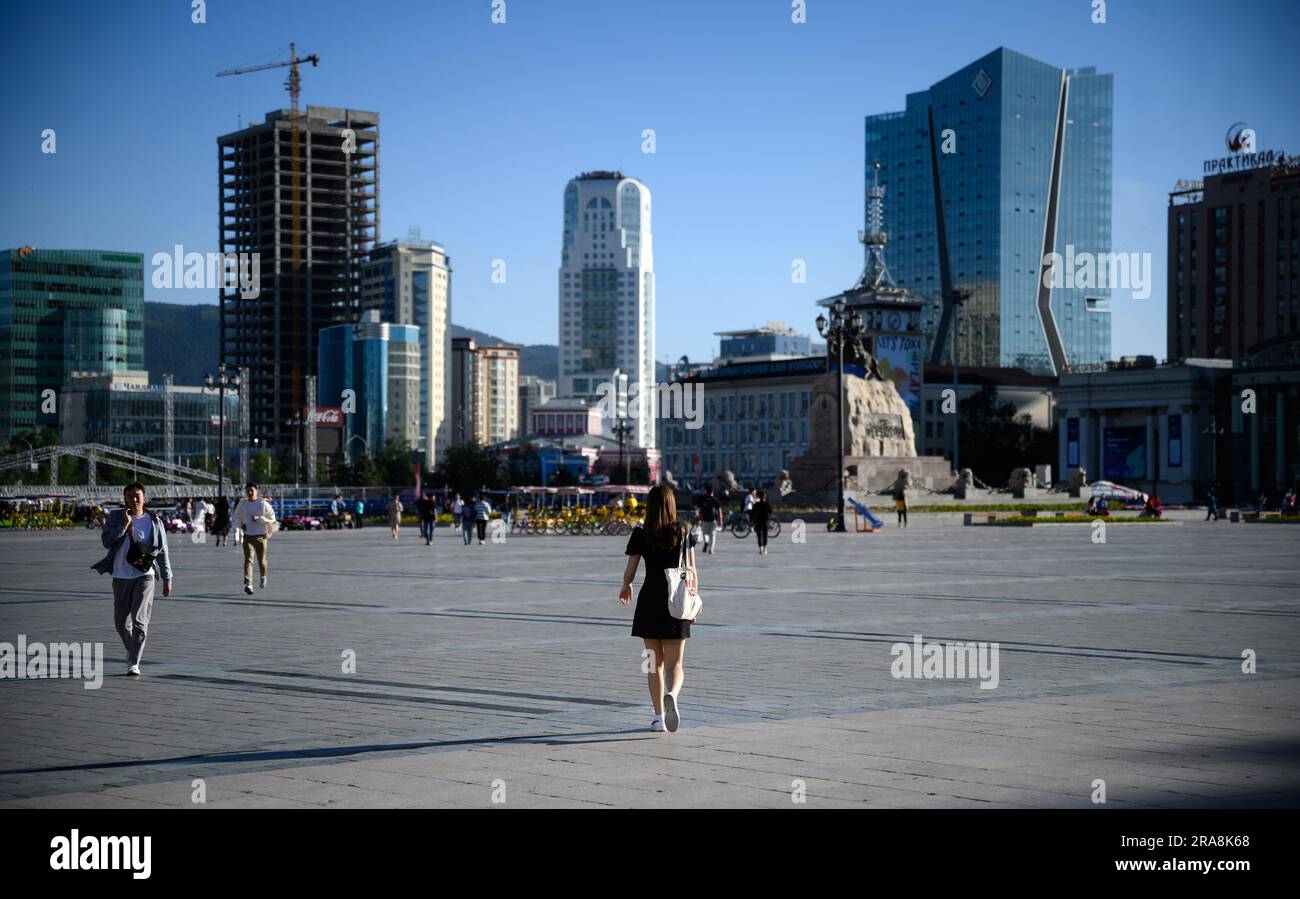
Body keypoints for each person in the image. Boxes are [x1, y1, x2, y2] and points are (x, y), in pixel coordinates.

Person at [618, 484, 698, 734]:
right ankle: (672, 694)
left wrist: (626, 585)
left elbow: (630, 571)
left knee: (653, 664)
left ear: (650, 506)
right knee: (676, 664)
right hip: (676, 602)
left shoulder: (641, 534)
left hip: (650, 601)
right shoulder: (683, 531)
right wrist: (692, 604)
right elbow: (693, 571)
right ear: (672, 504)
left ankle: (657, 718)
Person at [90, 482, 174, 676]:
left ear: (144, 498)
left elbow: (162, 551)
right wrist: (124, 525)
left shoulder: (154, 521)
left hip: (145, 575)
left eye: (137, 495)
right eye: (129, 496)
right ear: (125, 499)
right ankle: (131, 648)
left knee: (139, 621)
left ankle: (133, 662)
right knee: (121, 622)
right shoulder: (115, 517)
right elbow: (106, 542)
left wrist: (167, 577)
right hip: (120, 575)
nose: (133, 499)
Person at [237, 482, 276, 595]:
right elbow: (238, 515)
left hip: (261, 536)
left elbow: (272, 518)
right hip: (248, 536)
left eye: (251, 491)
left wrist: (259, 519)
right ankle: (248, 583)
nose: (249, 493)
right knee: (249, 559)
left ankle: (263, 576)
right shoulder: (243, 503)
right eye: (247, 491)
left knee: (261, 561)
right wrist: (241, 524)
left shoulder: (263, 504)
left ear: (256, 491)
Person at [695, 484, 722, 554]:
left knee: (705, 533)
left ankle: (706, 541)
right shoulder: (715, 500)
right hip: (713, 520)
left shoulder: (703, 500)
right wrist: (720, 520)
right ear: (712, 492)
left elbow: (700, 512)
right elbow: (719, 511)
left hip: (705, 519)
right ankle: (711, 550)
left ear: (706, 492)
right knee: (712, 534)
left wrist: (698, 520)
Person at [751, 489, 773, 555]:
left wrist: (751, 521)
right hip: (765, 522)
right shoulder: (767, 504)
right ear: (765, 497)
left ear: (759, 497)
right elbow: (770, 512)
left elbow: (752, 513)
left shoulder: (756, 504)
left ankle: (760, 549)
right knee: (765, 536)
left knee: (759, 536)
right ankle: (765, 550)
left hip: (758, 522)